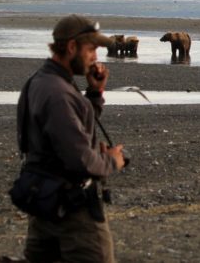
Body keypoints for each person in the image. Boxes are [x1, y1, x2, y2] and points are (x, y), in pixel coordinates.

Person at [16, 14, 126, 263]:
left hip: (43, 201)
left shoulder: (40, 81)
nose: (96, 57)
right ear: (72, 47)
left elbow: (70, 123)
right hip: (73, 209)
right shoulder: (59, 94)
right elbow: (80, 159)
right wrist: (111, 161)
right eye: (92, 49)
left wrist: (95, 94)